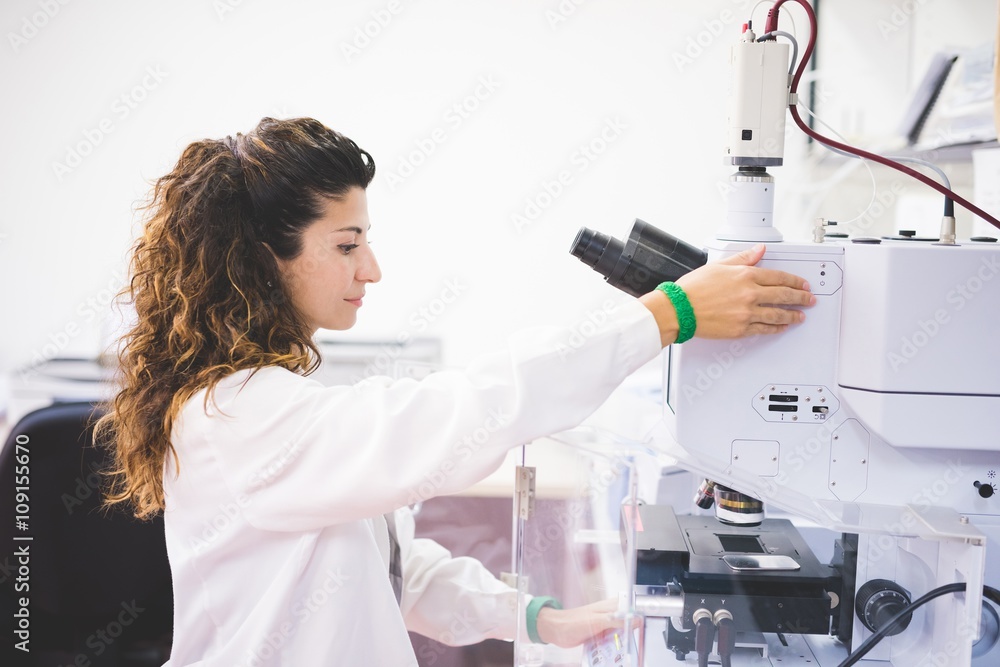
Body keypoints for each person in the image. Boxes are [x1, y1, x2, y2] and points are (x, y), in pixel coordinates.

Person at [96, 117, 814, 666]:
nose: (371, 268)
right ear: (262, 260)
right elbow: (460, 414)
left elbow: (382, 568)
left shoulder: (271, 400)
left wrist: (535, 617)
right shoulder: (237, 413)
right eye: (347, 244)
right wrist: (666, 315)